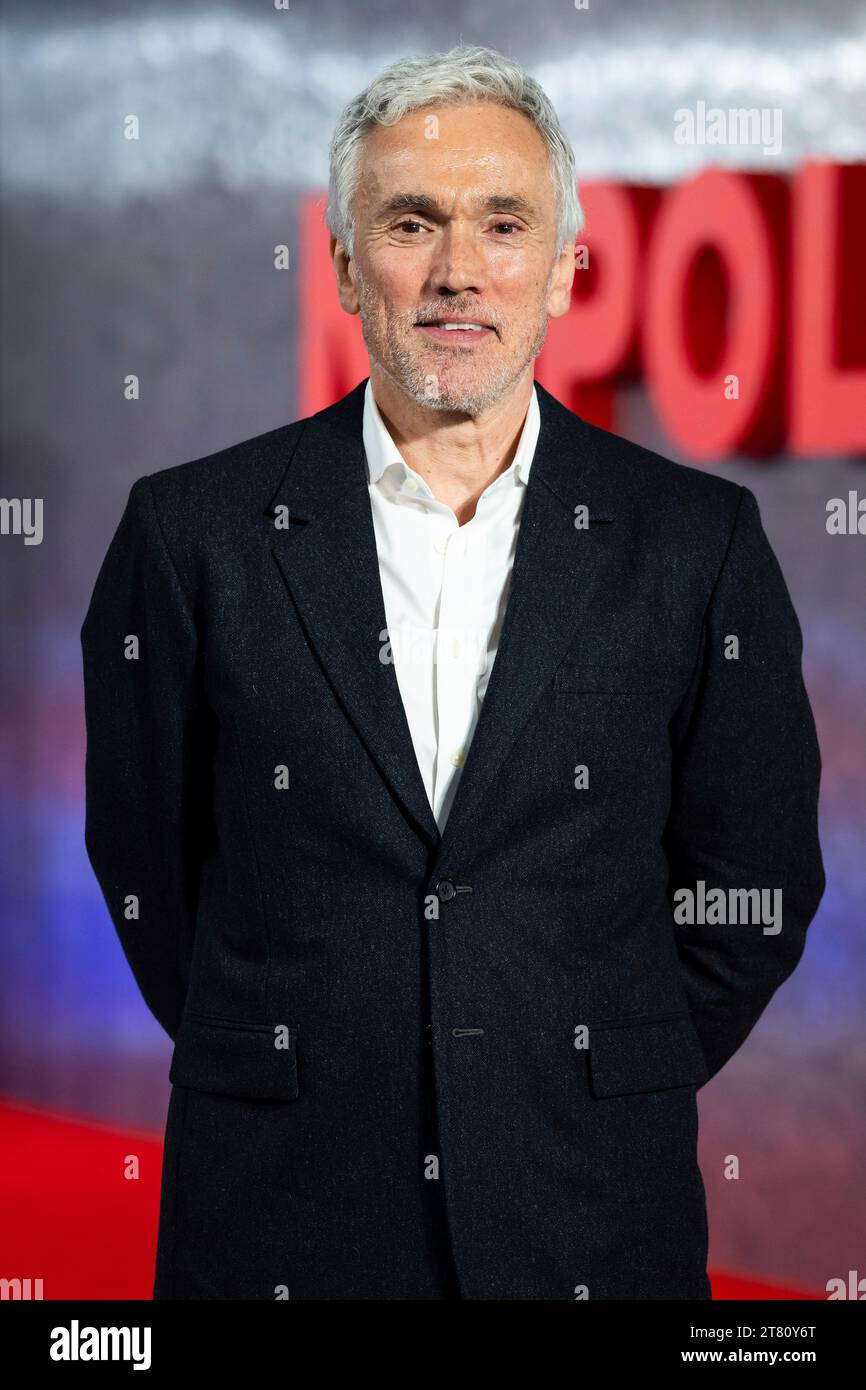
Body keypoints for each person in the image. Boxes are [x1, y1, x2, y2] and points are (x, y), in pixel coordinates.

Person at [81, 43, 825, 1300]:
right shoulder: (190, 532)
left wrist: (584, 1066)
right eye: (410, 221)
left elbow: (750, 883)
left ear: (565, 266)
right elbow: (151, 866)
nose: (456, 271)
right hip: (281, 1214)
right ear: (340, 264)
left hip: (590, 1210)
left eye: (502, 222)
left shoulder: (691, 544)